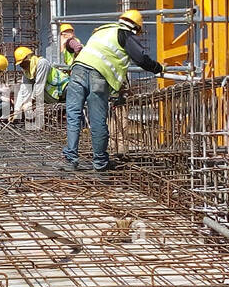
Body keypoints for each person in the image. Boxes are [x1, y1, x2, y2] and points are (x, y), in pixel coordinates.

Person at [61, 10, 163, 172]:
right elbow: (141, 59)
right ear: (135, 28)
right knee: (97, 120)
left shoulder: (102, 30)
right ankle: (100, 161)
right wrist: (158, 68)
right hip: (98, 76)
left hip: (78, 69)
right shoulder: (124, 34)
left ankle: (71, 158)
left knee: (73, 115)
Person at [12, 46, 68, 120]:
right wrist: (16, 110)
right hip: (54, 95)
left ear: (28, 58)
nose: (21, 66)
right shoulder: (27, 72)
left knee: (71, 115)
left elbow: (39, 85)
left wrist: (31, 102)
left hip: (65, 89)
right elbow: (24, 90)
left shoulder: (42, 63)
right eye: (20, 64)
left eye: (22, 63)